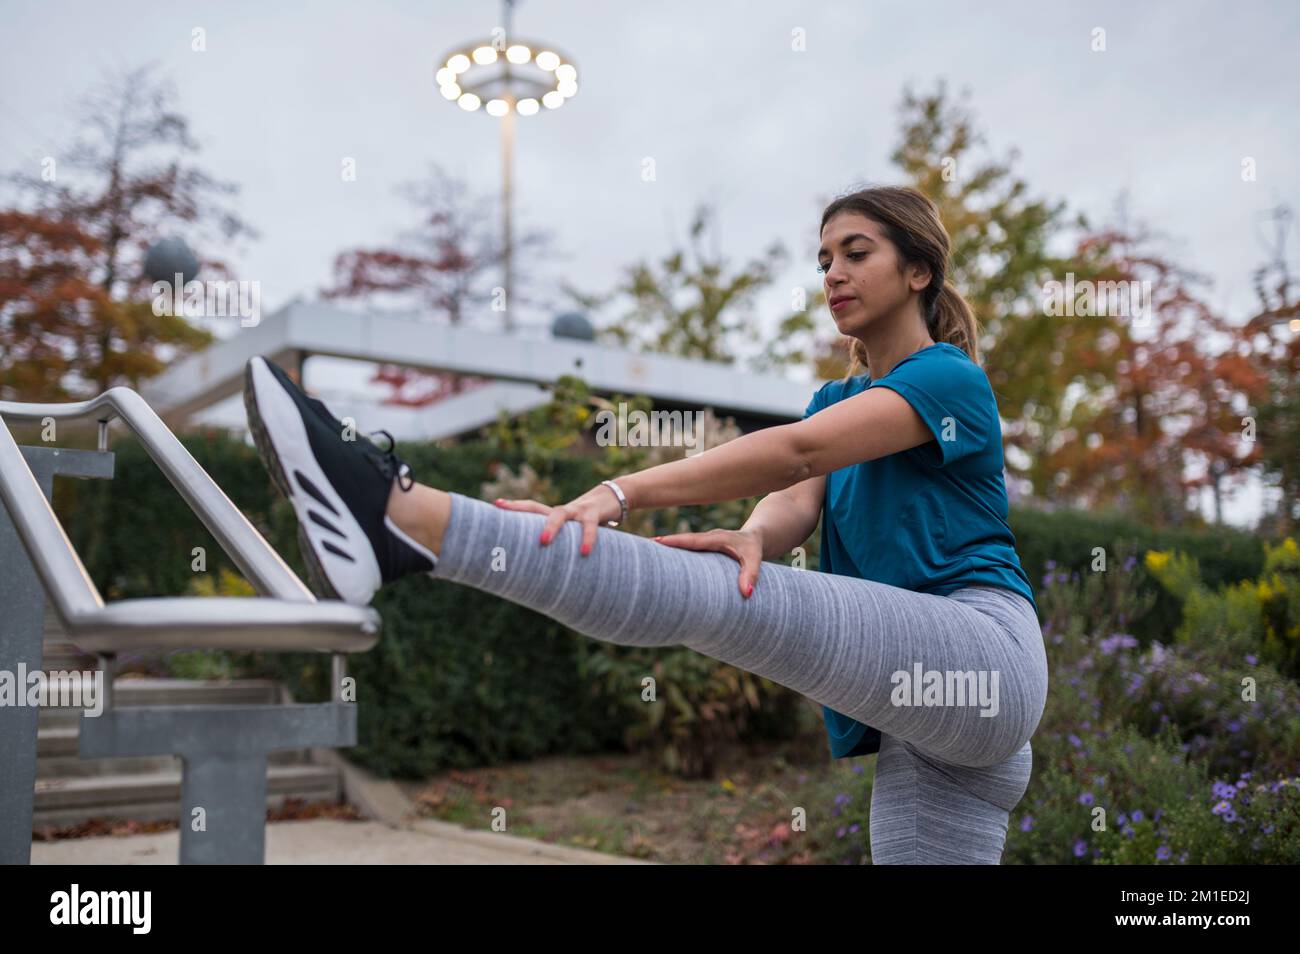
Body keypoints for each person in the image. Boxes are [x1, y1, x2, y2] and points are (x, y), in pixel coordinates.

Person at [242, 184, 1048, 865]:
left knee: (714, 599)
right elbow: (797, 501)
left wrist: (620, 490)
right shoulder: (835, 399)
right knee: (735, 575)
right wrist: (756, 538)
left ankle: (402, 522)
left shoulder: (948, 379)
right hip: (931, 739)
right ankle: (400, 528)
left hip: (983, 657)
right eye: (823, 260)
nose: (833, 272)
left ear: (918, 270)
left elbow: (799, 455)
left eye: (855, 252)